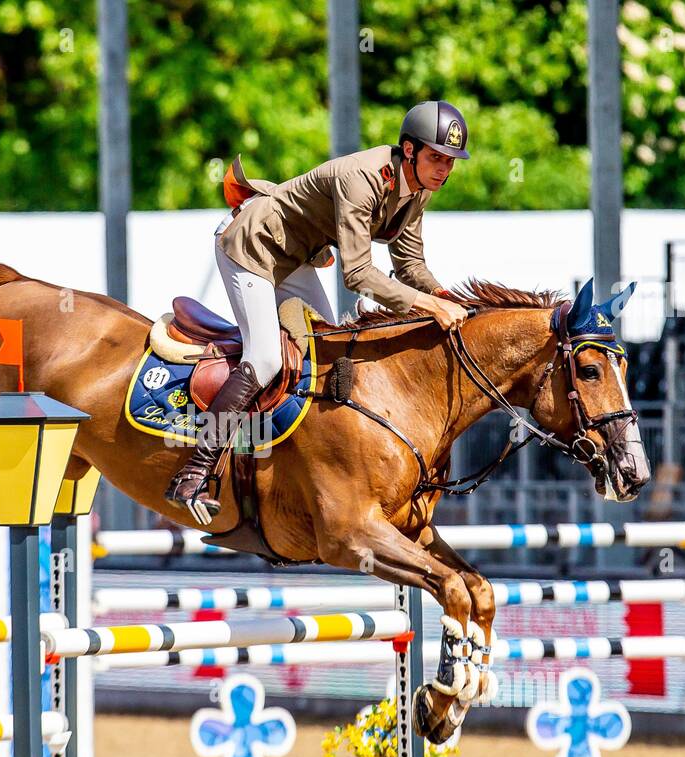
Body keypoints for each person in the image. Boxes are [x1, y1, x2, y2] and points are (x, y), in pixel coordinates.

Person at [166, 100, 472, 523]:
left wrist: (445, 296)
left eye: (450, 161)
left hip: (295, 258)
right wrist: (428, 305)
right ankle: (194, 472)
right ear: (409, 149)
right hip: (253, 245)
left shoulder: (417, 190)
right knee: (266, 358)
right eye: (436, 157)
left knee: (327, 348)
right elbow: (358, 274)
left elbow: (410, 266)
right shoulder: (363, 178)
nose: (444, 169)